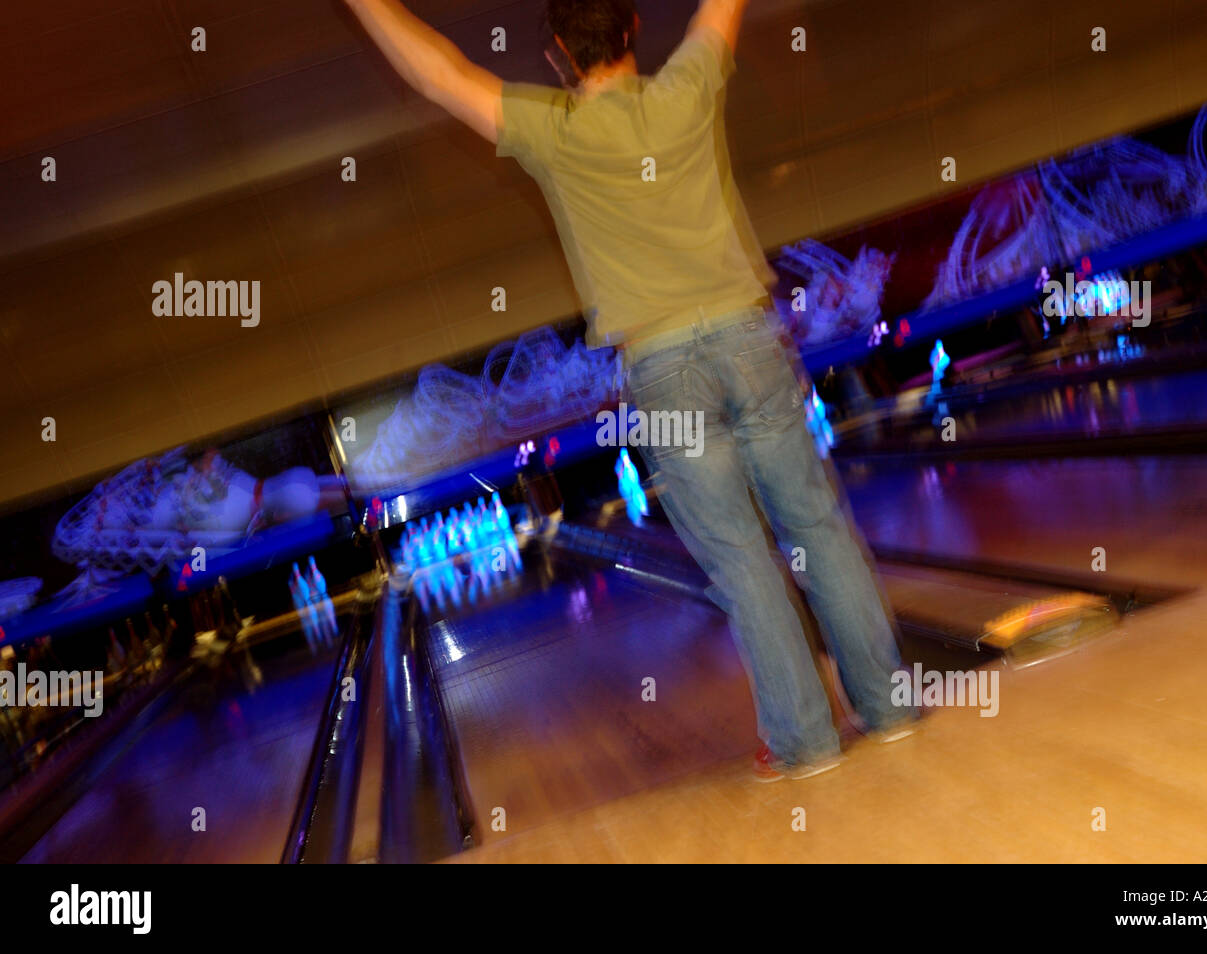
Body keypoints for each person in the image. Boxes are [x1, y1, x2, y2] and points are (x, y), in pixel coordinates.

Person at [344, 0, 914, 780]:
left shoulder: (553, 127)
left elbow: (438, 73)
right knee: (817, 526)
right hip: (751, 339)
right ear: (632, 28)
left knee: (742, 562)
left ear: (554, 56)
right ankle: (889, 709)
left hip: (665, 372)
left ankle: (806, 745)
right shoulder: (688, 83)